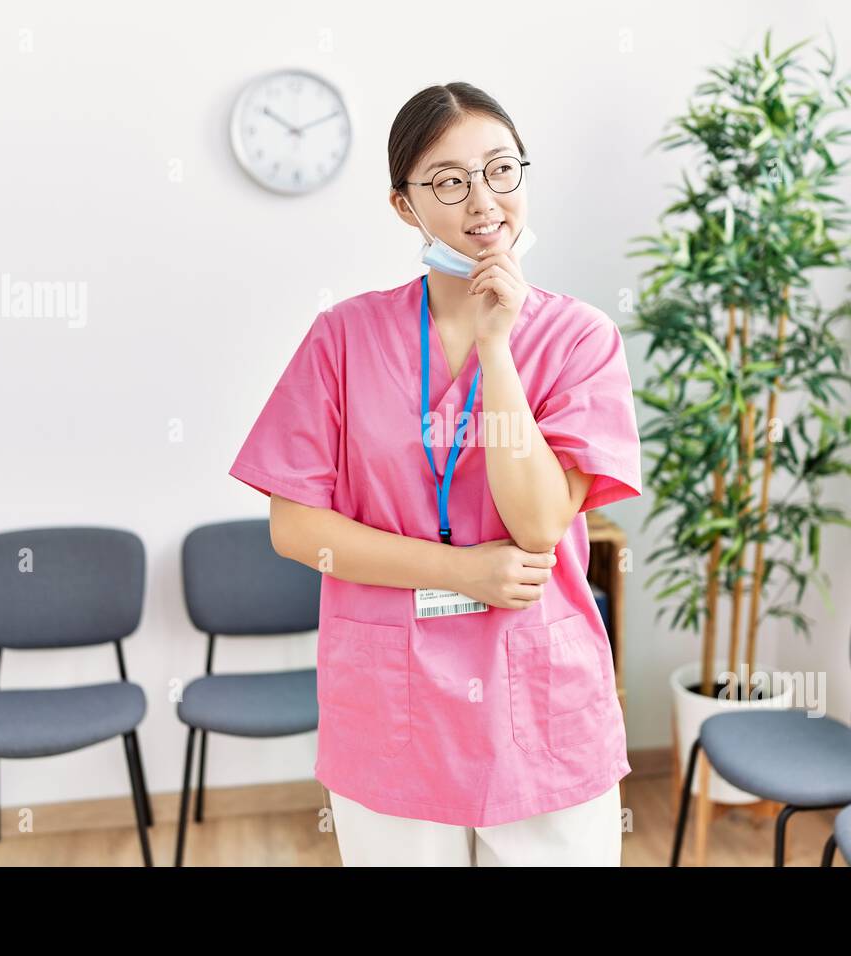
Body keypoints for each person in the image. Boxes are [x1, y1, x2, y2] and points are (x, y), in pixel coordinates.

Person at [228, 81, 642, 866]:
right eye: (449, 182)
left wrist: (497, 345)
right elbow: (296, 528)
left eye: (501, 170)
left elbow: (541, 524)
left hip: (540, 705)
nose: (483, 200)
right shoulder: (343, 337)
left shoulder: (579, 338)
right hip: (391, 709)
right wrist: (461, 571)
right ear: (403, 206)